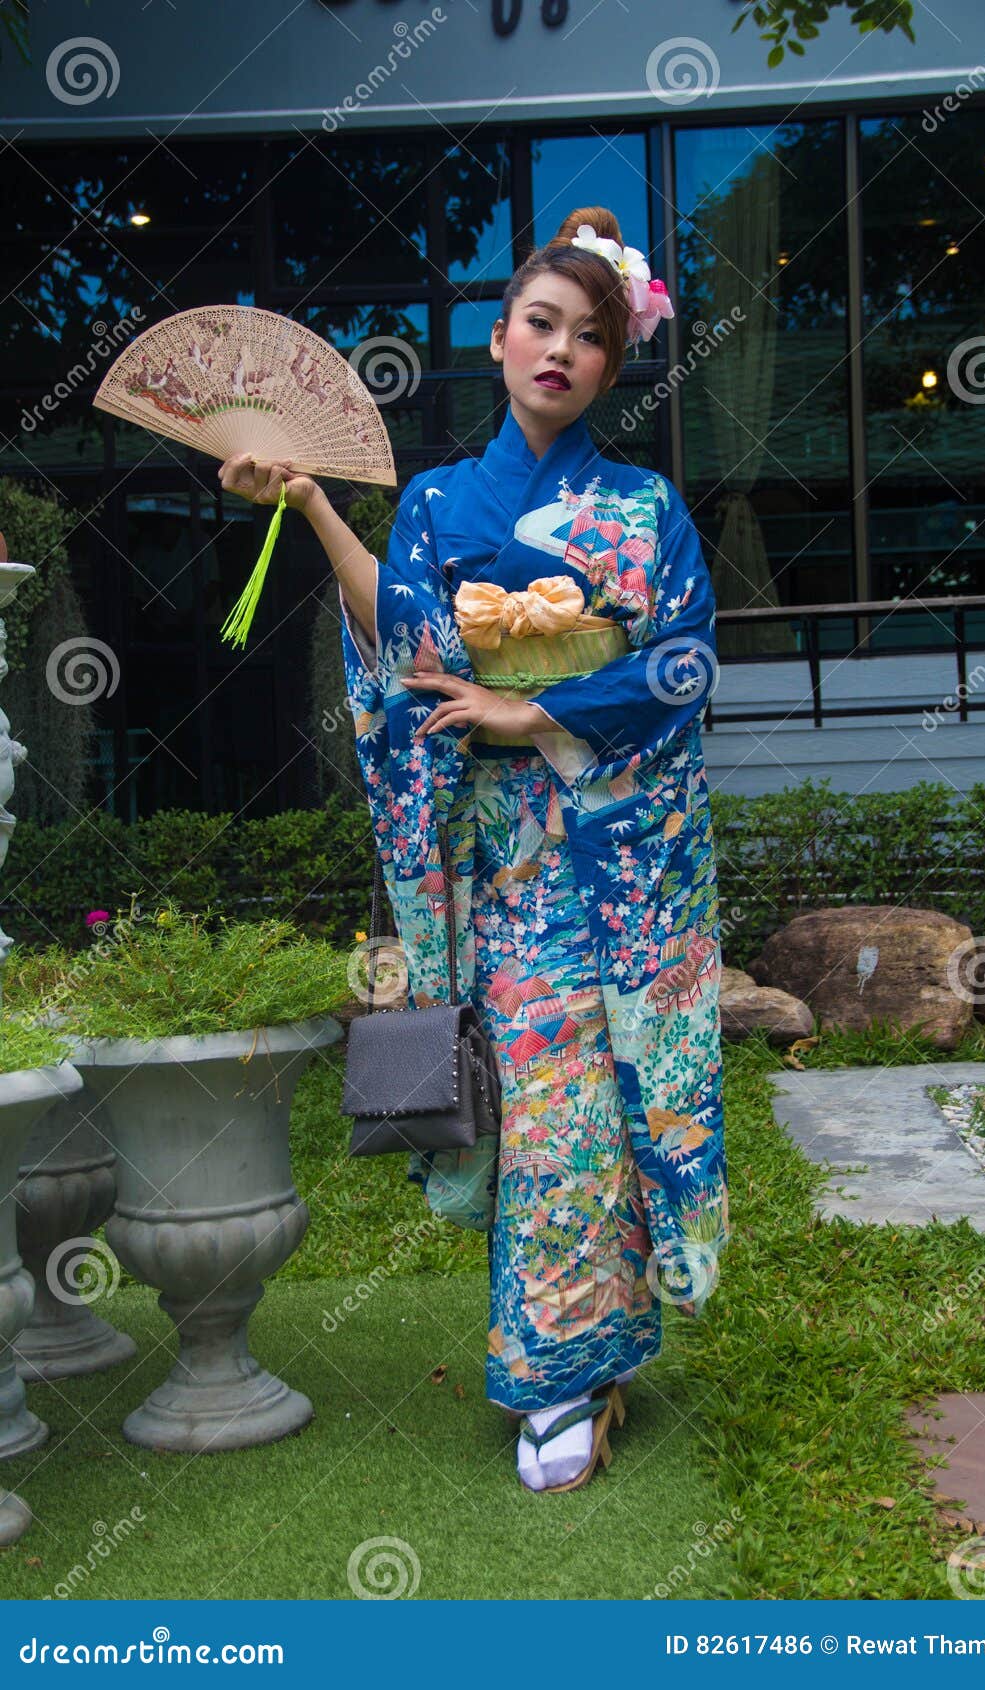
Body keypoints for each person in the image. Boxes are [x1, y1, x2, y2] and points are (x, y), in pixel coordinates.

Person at [218, 205, 728, 1494]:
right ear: (499, 340)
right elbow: (405, 641)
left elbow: (682, 659)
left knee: (590, 1102)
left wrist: (534, 704)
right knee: (547, 1101)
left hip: (613, 846)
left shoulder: (645, 506)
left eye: (592, 337)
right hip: (501, 856)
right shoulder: (443, 501)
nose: (561, 350)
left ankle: (569, 1371)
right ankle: (581, 1361)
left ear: (614, 366)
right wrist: (316, 503)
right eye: (540, 325)